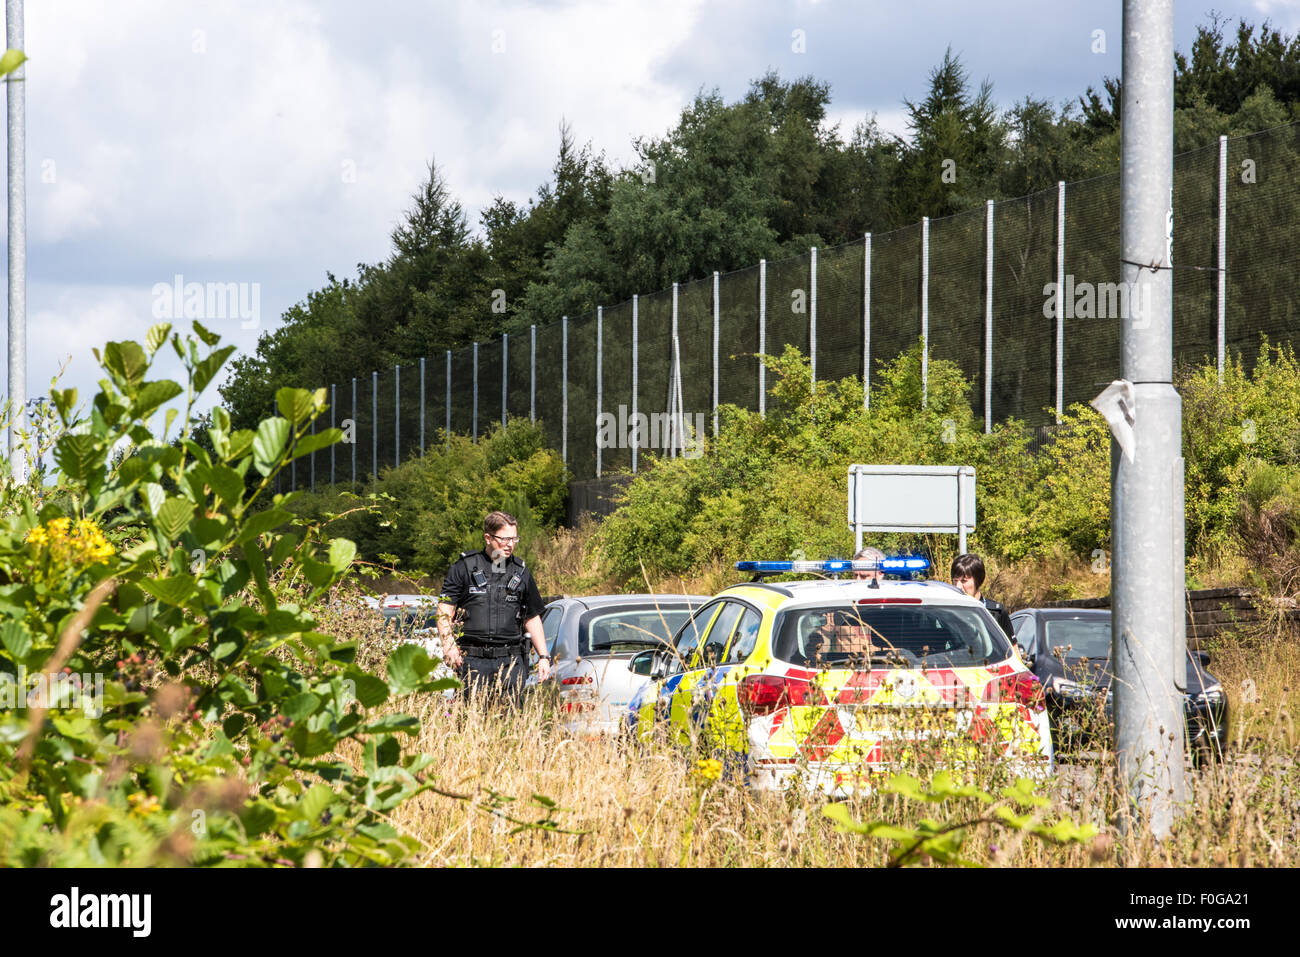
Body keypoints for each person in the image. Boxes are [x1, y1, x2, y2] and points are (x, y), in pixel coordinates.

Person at [437, 510, 551, 703]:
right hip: (473, 660)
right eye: (504, 539)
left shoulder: (521, 571)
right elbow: (444, 611)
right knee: (471, 719)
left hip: (511, 662)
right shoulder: (465, 566)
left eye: (514, 539)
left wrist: (544, 657)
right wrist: (449, 647)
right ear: (488, 538)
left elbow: (532, 616)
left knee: (512, 719)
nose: (510, 544)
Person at [951, 553, 1014, 638]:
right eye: (955, 581)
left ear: (978, 581)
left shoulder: (996, 613)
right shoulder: (947, 612)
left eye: (964, 581)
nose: (958, 586)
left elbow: (1013, 649)